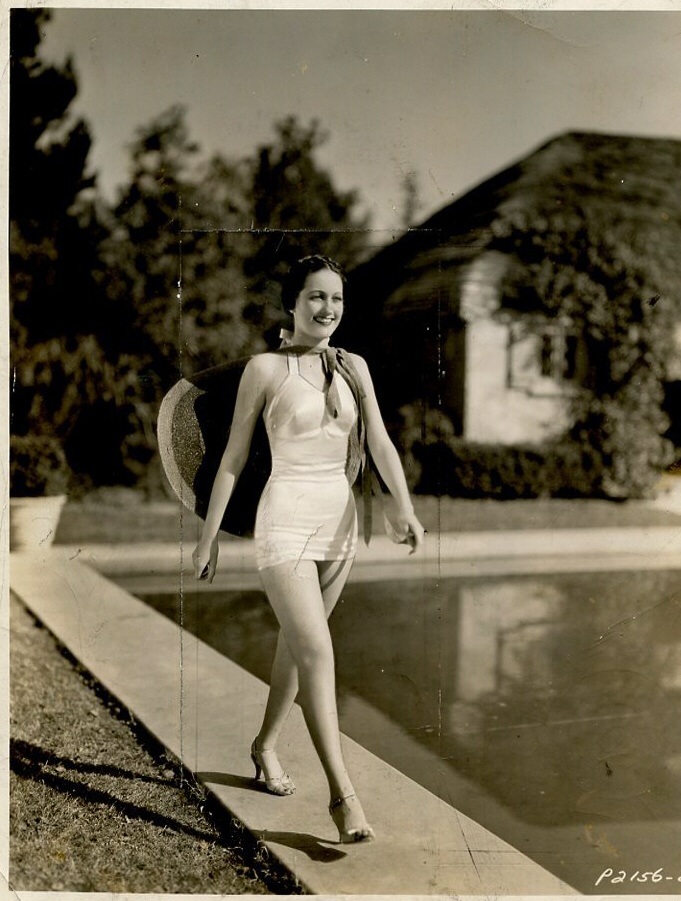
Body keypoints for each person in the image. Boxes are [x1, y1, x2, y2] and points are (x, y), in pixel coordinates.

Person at [192, 254, 425, 843]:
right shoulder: (265, 370)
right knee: (317, 651)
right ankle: (342, 796)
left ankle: (264, 745)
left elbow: (379, 440)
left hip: (339, 525)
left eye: (337, 300)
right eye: (316, 297)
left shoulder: (355, 368)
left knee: (297, 650)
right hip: (285, 524)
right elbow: (234, 458)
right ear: (291, 304)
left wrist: (404, 506)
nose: (328, 310)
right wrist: (208, 535)